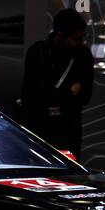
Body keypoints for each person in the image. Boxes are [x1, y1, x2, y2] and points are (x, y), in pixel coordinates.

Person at [21, 8, 94, 158]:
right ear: (60, 35)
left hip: (68, 130)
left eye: (82, 38)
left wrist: (53, 95)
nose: (81, 42)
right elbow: (32, 95)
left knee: (70, 174)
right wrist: (68, 92)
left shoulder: (84, 55)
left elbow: (85, 96)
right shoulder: (38, 52)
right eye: (76, 38)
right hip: (38, 128)